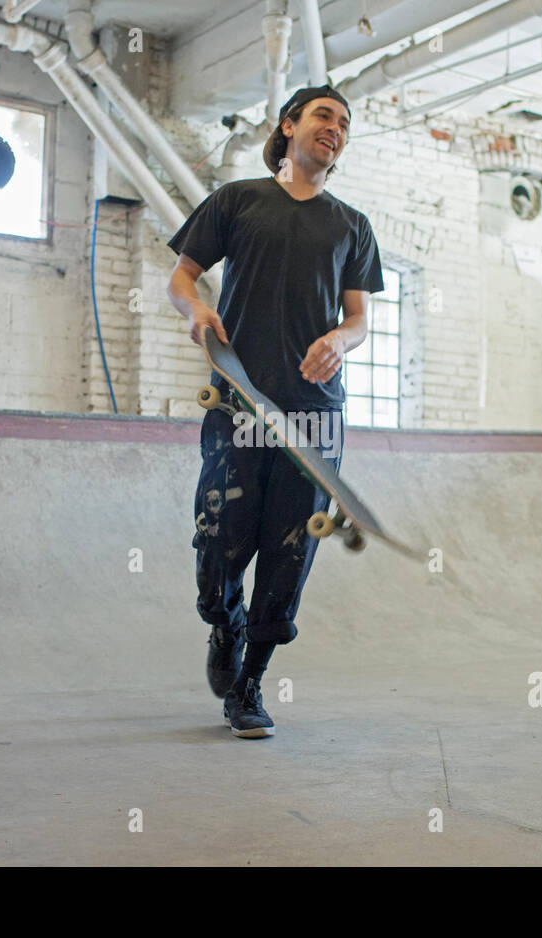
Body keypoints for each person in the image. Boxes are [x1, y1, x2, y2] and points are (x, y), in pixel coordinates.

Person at [165, 84, 385, 738]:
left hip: (314, 413)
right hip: (239, 402)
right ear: (289, 124)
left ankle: (250, 684)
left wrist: (339, 341)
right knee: (219, 538)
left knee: (289, 551)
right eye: (324, 115)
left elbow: (359, 318)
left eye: (344, 122)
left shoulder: (351, 226)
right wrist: (197, 309)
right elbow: (181, 277)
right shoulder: (237, 201)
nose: (335, 128)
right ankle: (222, 623)